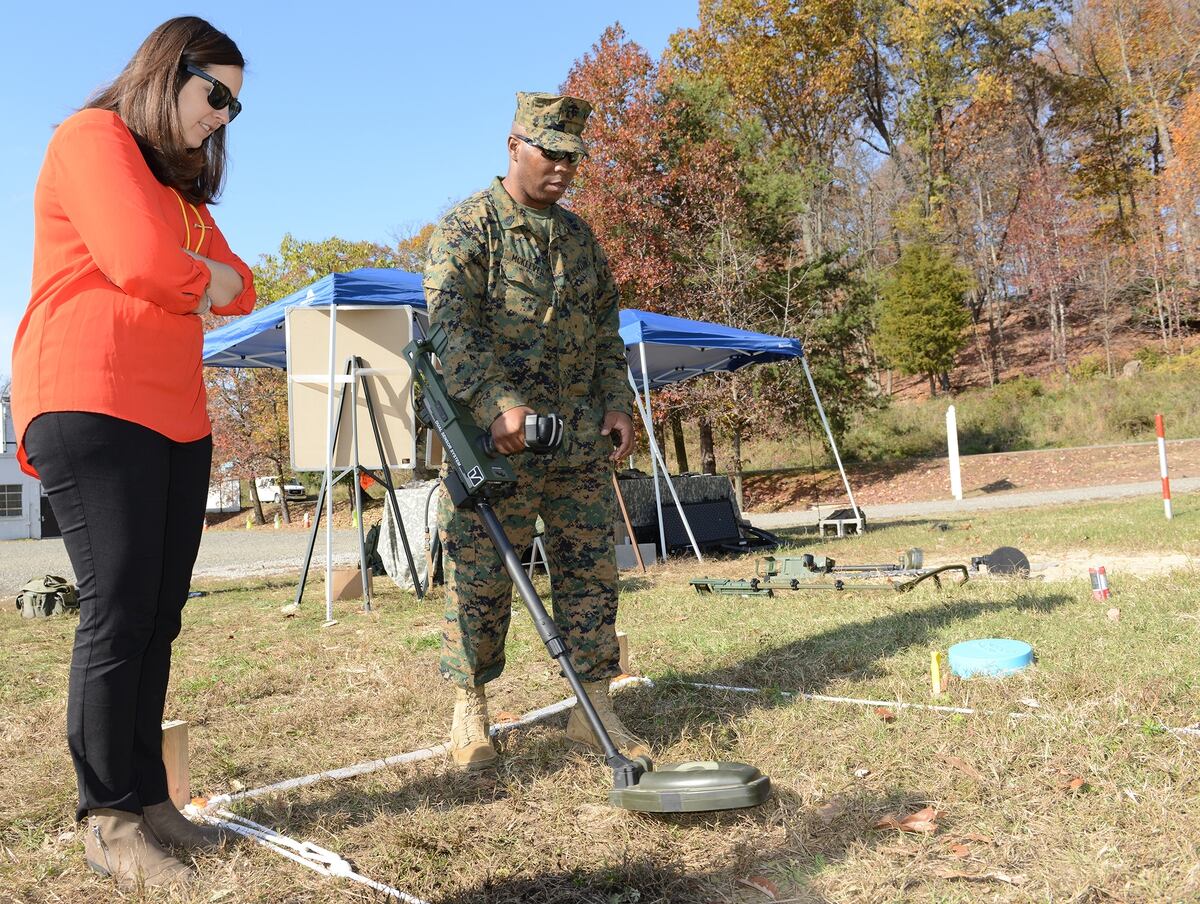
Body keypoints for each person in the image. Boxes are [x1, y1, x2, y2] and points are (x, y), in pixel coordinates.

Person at [10, 16, 255, 890]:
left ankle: (152, 803)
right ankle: (107, 821)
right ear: (165, 71)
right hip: (89, 391)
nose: (224, 115)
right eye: (214, 92)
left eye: (235, 104)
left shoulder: (181, 194)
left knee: (160, 612)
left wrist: (196, 275)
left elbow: (244, 283)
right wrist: (199, 277)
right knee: (117, 610)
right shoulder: (91, 137)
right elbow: (145, 261)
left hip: (179, 416)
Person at [423, 92, 646, 770]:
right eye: (551, 153)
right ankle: (471, 710)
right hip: (496, 446)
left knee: (590, 574)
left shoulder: (579, 239)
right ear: (514, 144)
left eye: (574, 158)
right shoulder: (468, 229)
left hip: (576, 441)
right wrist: (499, 403)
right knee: (483, 579)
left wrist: (615, 400)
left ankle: (593, 706)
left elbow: (607, 332)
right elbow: (449, 331)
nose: (563, 169)